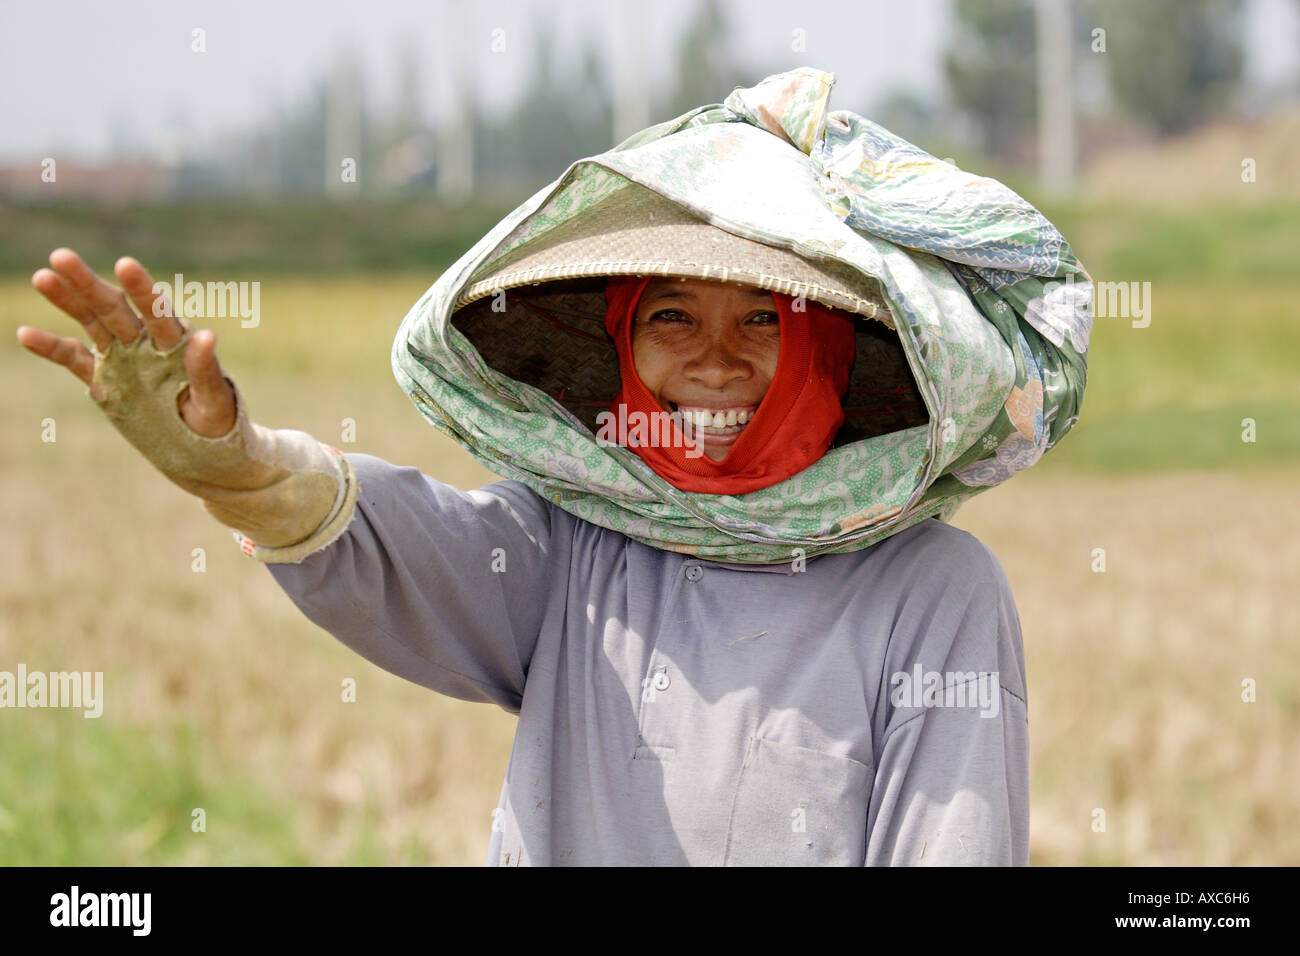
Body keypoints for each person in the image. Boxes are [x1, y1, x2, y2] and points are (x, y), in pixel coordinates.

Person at [18, 68, 1091, 865]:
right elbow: (399, 541)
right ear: (623, 341)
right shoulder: (575, 547)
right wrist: (238, 464)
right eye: (671, 315)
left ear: (826, 350)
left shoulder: (932, 592)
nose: (712, 360)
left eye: (763, 318)